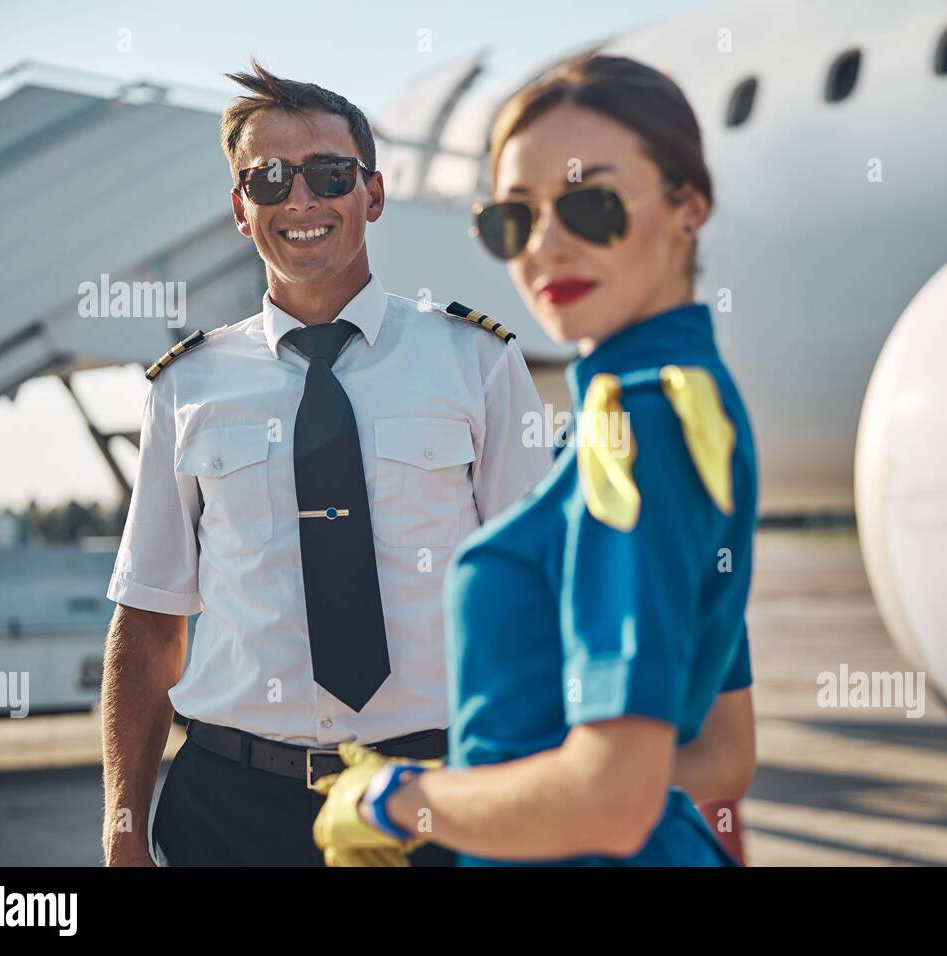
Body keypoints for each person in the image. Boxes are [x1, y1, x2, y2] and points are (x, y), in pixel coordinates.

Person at [100, 59, 551, 867]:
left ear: (371, 195)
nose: (300, 199)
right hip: (232, 807)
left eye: (328, 174)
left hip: (433, 796)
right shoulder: (186, 388)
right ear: (242, 211)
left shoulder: (477, 363)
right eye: (267, 179)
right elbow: (149, 621)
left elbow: (537, 592)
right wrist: (123, 825)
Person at [313, 53, 758, 866]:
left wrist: (394, 803)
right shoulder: (678, 410)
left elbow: (610, 802)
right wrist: (482, 794)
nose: (547, 246)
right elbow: (720, 753)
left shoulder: (638, 427)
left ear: (687, 205)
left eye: (591, 203)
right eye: (513, 219)